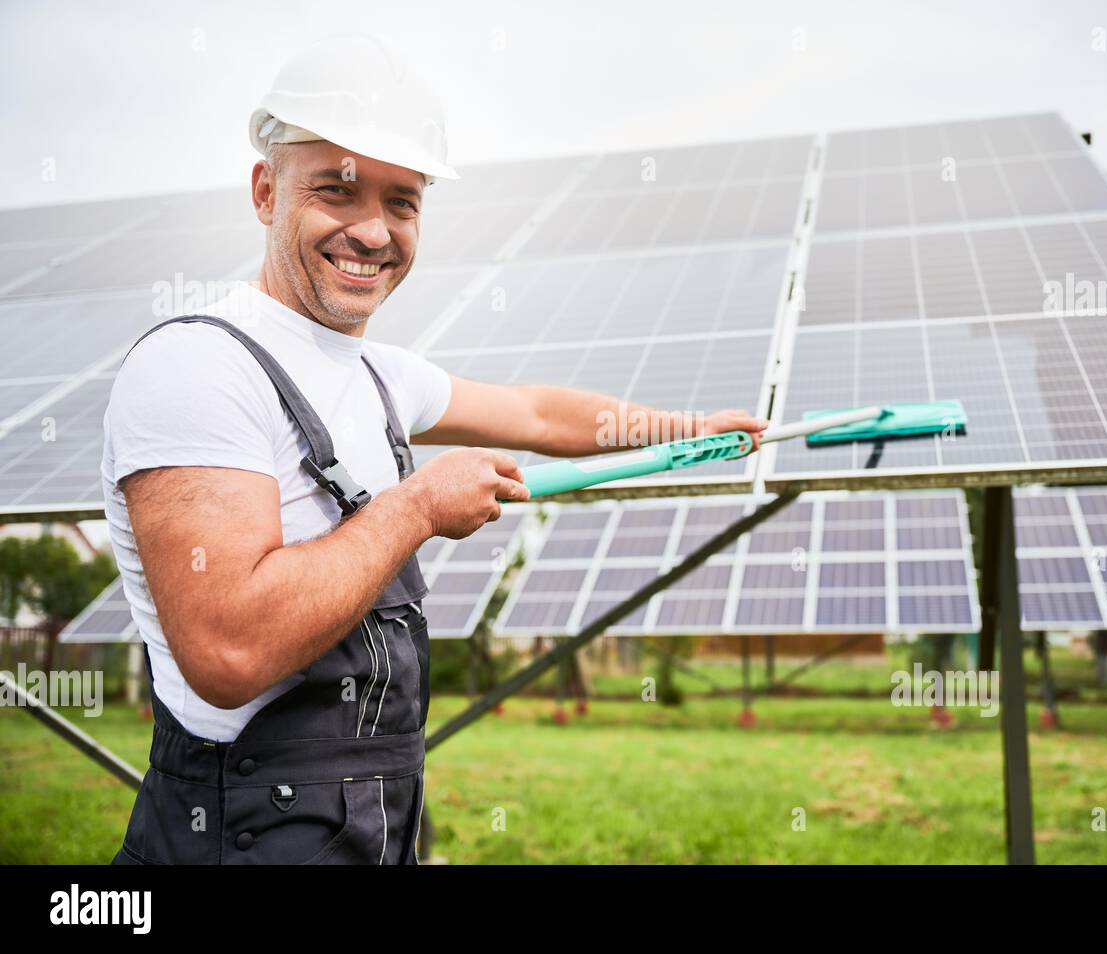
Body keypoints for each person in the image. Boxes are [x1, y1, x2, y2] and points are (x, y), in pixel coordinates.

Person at [104, 33, 767, 864]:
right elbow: (230, 652)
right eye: (337, 191)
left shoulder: (381, 373)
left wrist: (684, 430)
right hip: (239, 835)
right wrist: (414, 508)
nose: (373, 231)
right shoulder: (197, 367)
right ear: (266, 191)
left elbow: (532, 412)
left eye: (403, 201)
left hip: (368, 822)